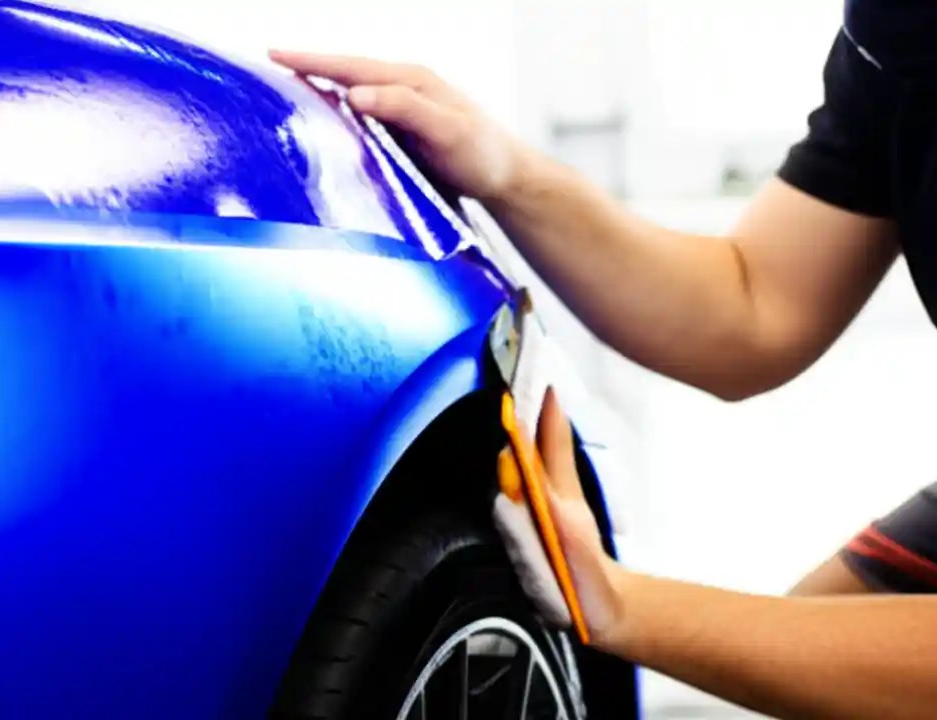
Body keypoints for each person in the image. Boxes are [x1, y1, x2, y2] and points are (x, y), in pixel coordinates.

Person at [272, 2, 937, 718]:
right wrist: (507, 173)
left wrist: (626, 607)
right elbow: (754, 305)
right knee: (816, 664)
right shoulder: (900, 41)